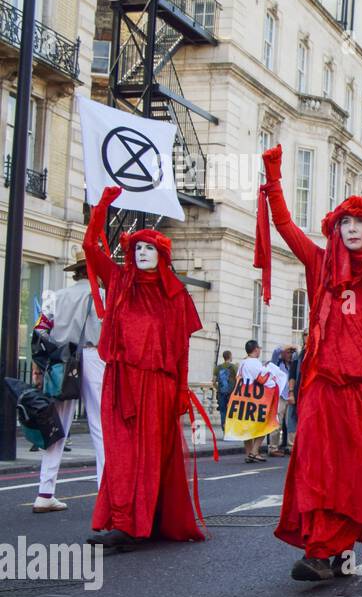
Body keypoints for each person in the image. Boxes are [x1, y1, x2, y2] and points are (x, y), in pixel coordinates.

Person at [257, 145, 362, 581]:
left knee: (353, 477)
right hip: (324, 387)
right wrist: (273, 180)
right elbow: (286, 227)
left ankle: (337, 547)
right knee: (314, 465)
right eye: (344, 222)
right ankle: (317, 548)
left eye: (359, 221)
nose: (351, 229)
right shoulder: (320, 265)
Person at [83, 187, 207, 549]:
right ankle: (123, 521)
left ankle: (143, 521)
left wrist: (182, 392)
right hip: (121, 382)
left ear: (162, 255)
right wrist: (102, 207)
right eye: (137, 248)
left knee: (151, 457)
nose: (141, 253)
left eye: (149, 248)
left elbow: (181, 351)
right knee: (121, 453)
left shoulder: (176, 295)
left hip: (158, 387)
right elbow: (92, 249)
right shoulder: (120, 281)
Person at [31, 250, 107, 512]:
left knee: (57, 428)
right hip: (94, 357)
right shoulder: (104, 298)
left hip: (61, 361)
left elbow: (40, 331)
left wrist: (40, 368)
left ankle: (45, 492)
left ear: (76, 272)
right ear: (94, 272)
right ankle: (106, 492)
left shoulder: (56, 297)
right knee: (100, 425)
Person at [213, 350, 236, 432]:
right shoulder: (234, 367)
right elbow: (238, 379)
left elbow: (213, 381)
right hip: (231, 394)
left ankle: (224, 431)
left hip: (221, 393)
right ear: (230, 356)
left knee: (223, 412)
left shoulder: (218, 367)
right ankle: (230, 431)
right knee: (232, 412)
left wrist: (218, 389)